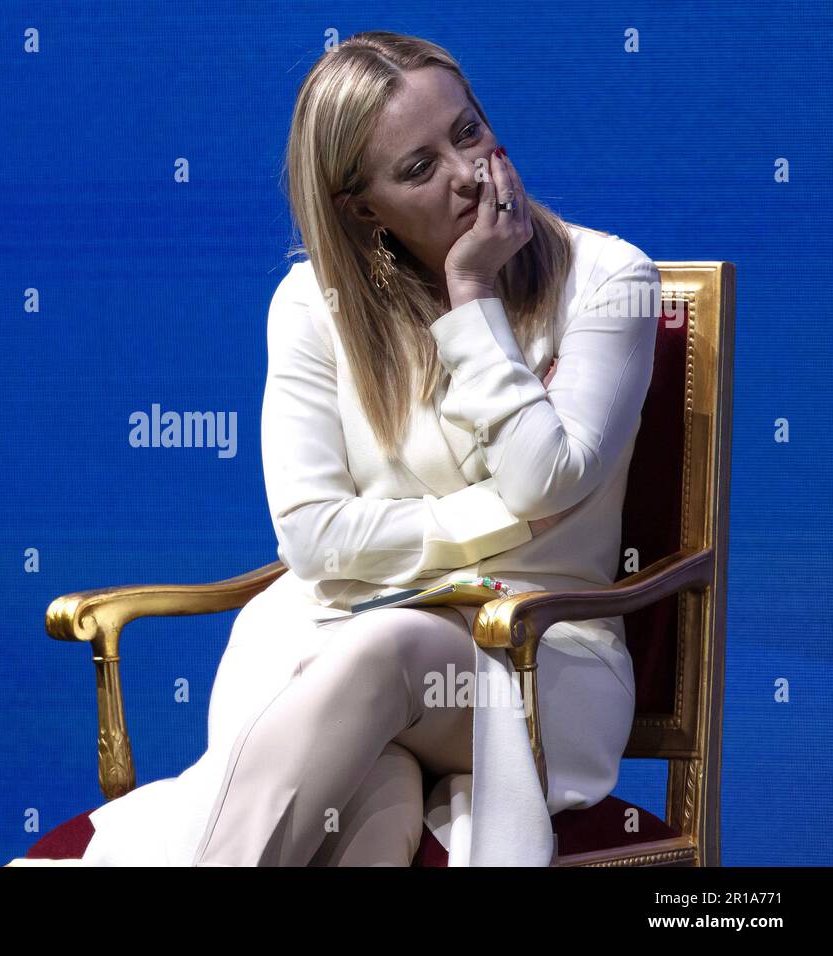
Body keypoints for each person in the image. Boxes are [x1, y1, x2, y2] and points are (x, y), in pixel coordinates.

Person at [76, 31, 659, 866]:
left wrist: (471, 296)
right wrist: (493, 522)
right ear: (361, 208)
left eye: (467, 132)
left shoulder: (609, 279)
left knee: (382, 657)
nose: (466, 174)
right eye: (418, 168)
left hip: (534, 657)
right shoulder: (313, 303)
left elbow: (548, 475)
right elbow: (314, 537)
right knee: (368, 809)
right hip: (328, 637)